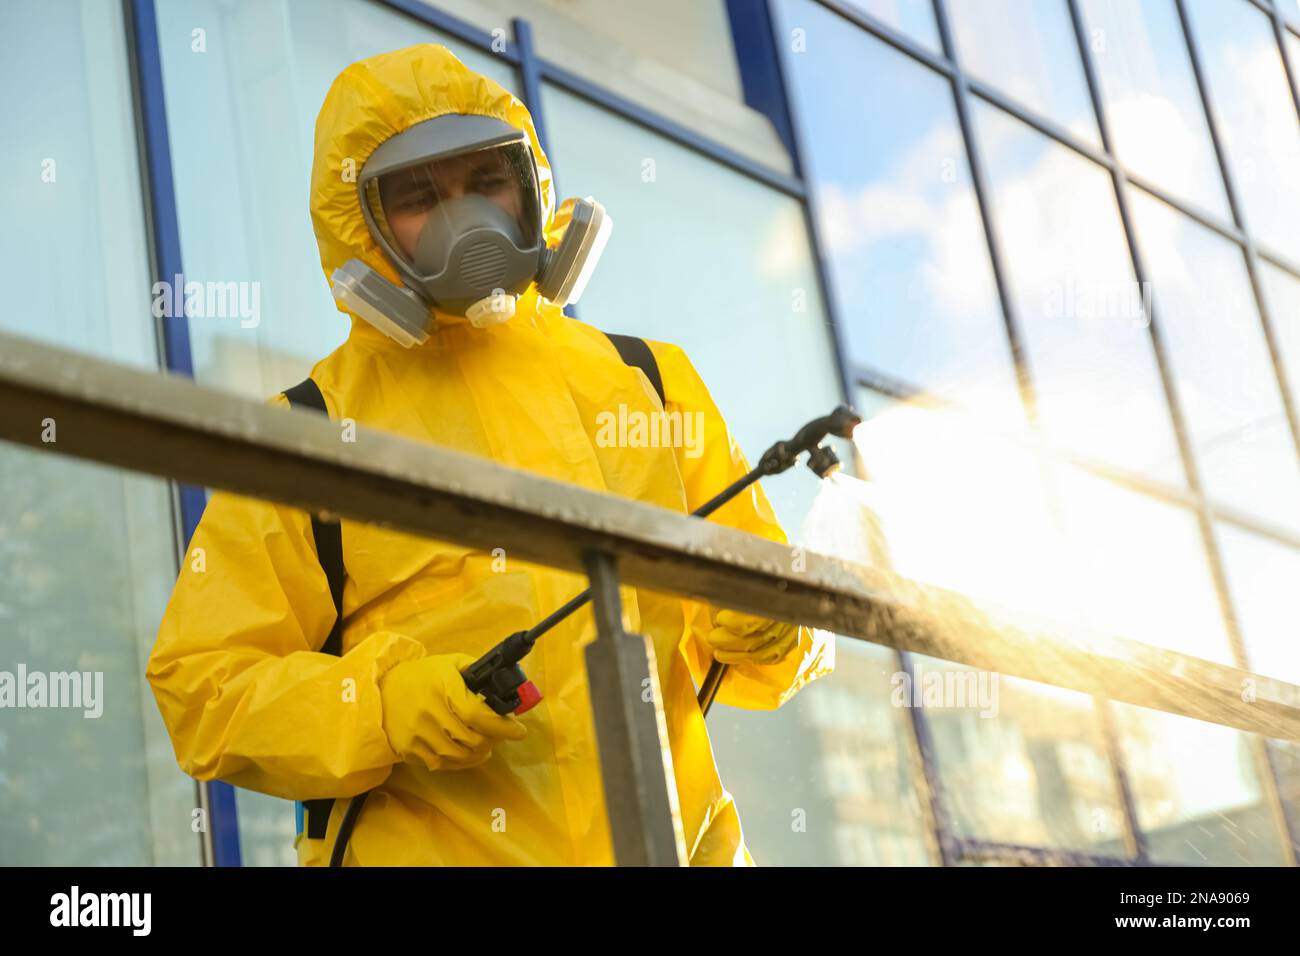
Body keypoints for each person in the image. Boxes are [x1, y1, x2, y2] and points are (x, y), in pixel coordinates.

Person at [146, 43, 833, 867]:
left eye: (485, 181)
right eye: (417, 197)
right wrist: (388, 705)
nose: (463, 219)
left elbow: (784, 617)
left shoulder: (649, 382)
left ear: (530, 187)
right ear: (357, 225)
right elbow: (203, 692)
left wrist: (775, 624)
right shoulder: (308, 433)